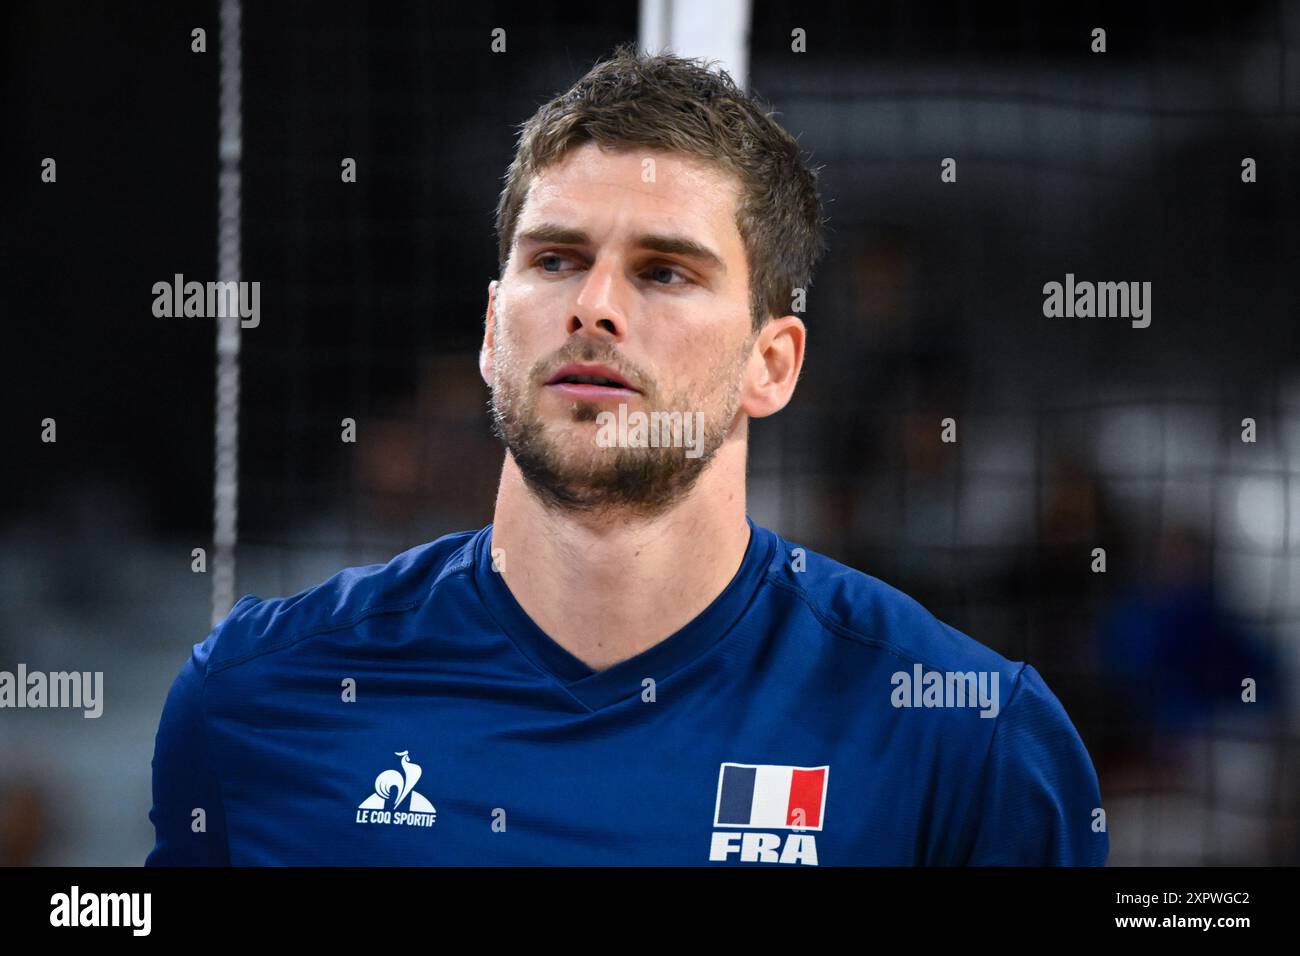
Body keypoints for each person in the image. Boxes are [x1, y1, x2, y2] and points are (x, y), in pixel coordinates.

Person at [147, 44, 1106, 866]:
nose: (594, 305)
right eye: (555, 259)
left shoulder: (966, 740)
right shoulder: (257, 700)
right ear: (491, 330)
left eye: (664, 271)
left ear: (770, 365)